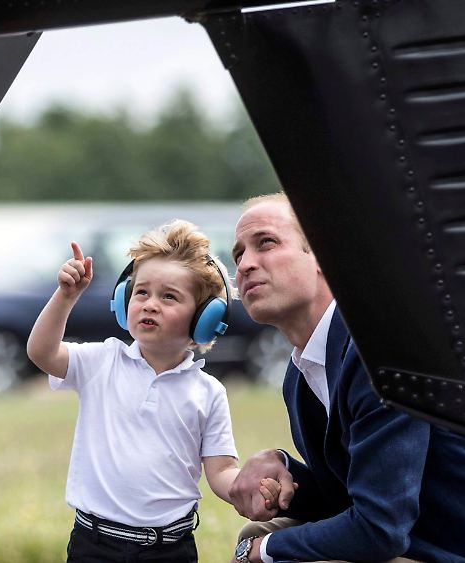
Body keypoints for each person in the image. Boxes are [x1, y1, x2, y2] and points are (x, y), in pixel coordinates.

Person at [227, 193, 465, 563]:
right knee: (260, 533)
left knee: (281, 554)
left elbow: (379, 528)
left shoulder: (383, 345)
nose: (245, 265)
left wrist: (265, 553)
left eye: (266, 243)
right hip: (430, 538)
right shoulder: (301, 373)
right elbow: (360, 495)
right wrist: (286, 477)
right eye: (239, 254)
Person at [27, 220, 280, 562]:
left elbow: (220, 472)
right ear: (124, 300)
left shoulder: (208, 392)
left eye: (169, 297)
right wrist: (66, 296)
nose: (149, 304)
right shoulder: (102, 361)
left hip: (169, 549)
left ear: (203, 319)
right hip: (94, 543)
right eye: (141, 292)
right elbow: (41, 352)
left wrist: (248, 490)